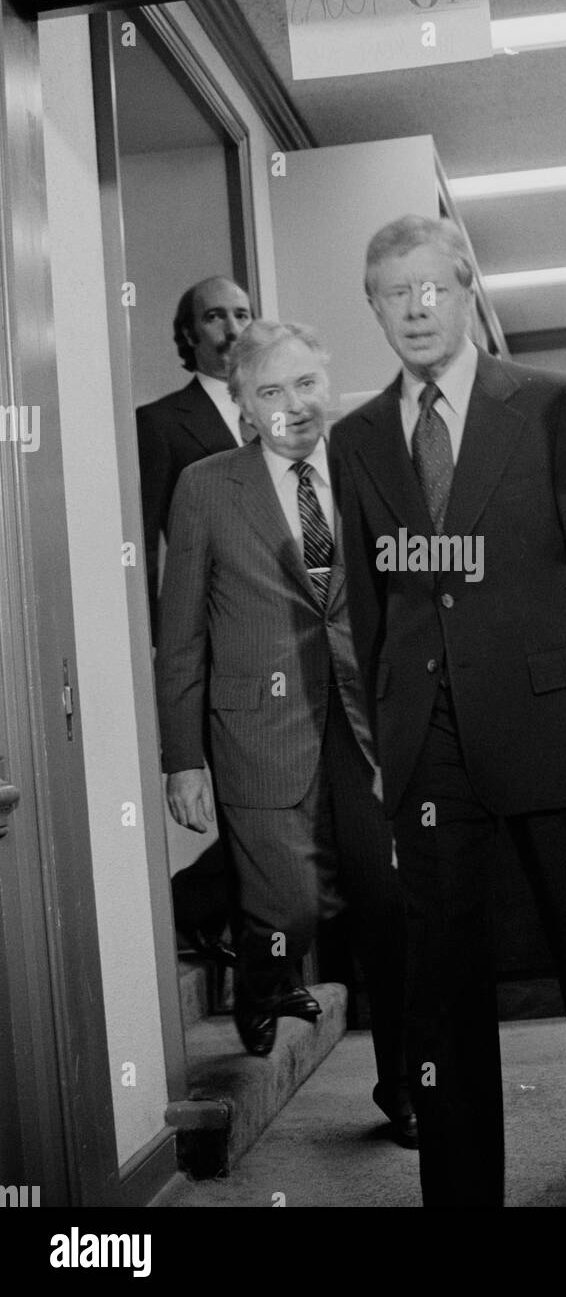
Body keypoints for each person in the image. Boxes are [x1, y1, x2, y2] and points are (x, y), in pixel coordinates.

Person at [329, 215, 566, 1207]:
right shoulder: (353, 440)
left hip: (550, 722)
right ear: (375, 308)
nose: (417, 309)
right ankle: (459, 1185)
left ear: (465, 290)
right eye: (395, 292)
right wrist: (383, 748)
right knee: (441, 975)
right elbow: (374, 600)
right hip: (425, 744)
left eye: (433, 287)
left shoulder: (552, 403)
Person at [155, 319, 415, 1147]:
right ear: (243, 408)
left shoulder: (374, 462)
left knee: (389, 907)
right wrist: (181, 759)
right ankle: (263, 972)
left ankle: (405, 1088)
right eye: (270, 391)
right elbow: (182, 632)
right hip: (258, 730)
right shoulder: (205, 486)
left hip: (369, 723)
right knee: (293, 903)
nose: (293, 404)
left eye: (305, 383)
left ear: (327, 385)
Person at [137, 275, 253, 965]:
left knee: (292, 810)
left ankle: (227, 932)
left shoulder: (277, 411)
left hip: (288, 642)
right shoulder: (161, 423)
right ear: (190, 334)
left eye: (243, 313)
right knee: (253, 807)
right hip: (211, 647)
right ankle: (191, 906)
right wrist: (166, 637)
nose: (232, 327)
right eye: (215, 316)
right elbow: (146, 541)